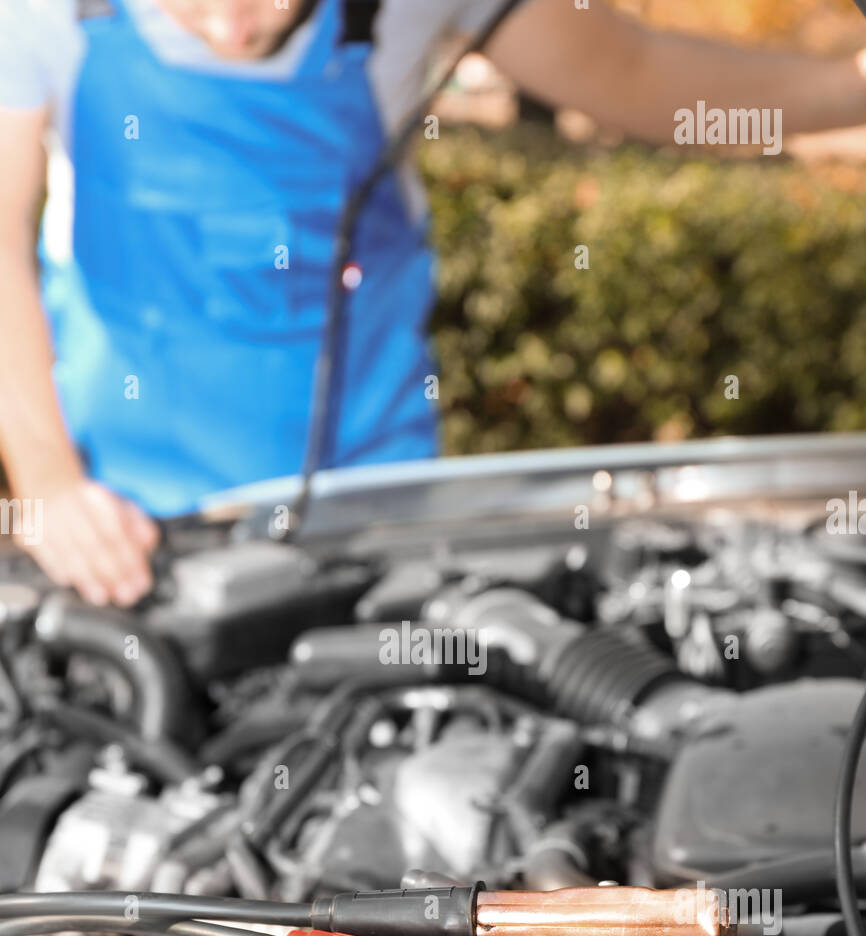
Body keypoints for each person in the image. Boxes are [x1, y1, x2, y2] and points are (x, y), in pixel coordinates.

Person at [2, 0, 866, 606]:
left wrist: (853, 86)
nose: (234, 26)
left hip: (380, 508)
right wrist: (47, 486)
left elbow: (635, 74)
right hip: (126, 518)